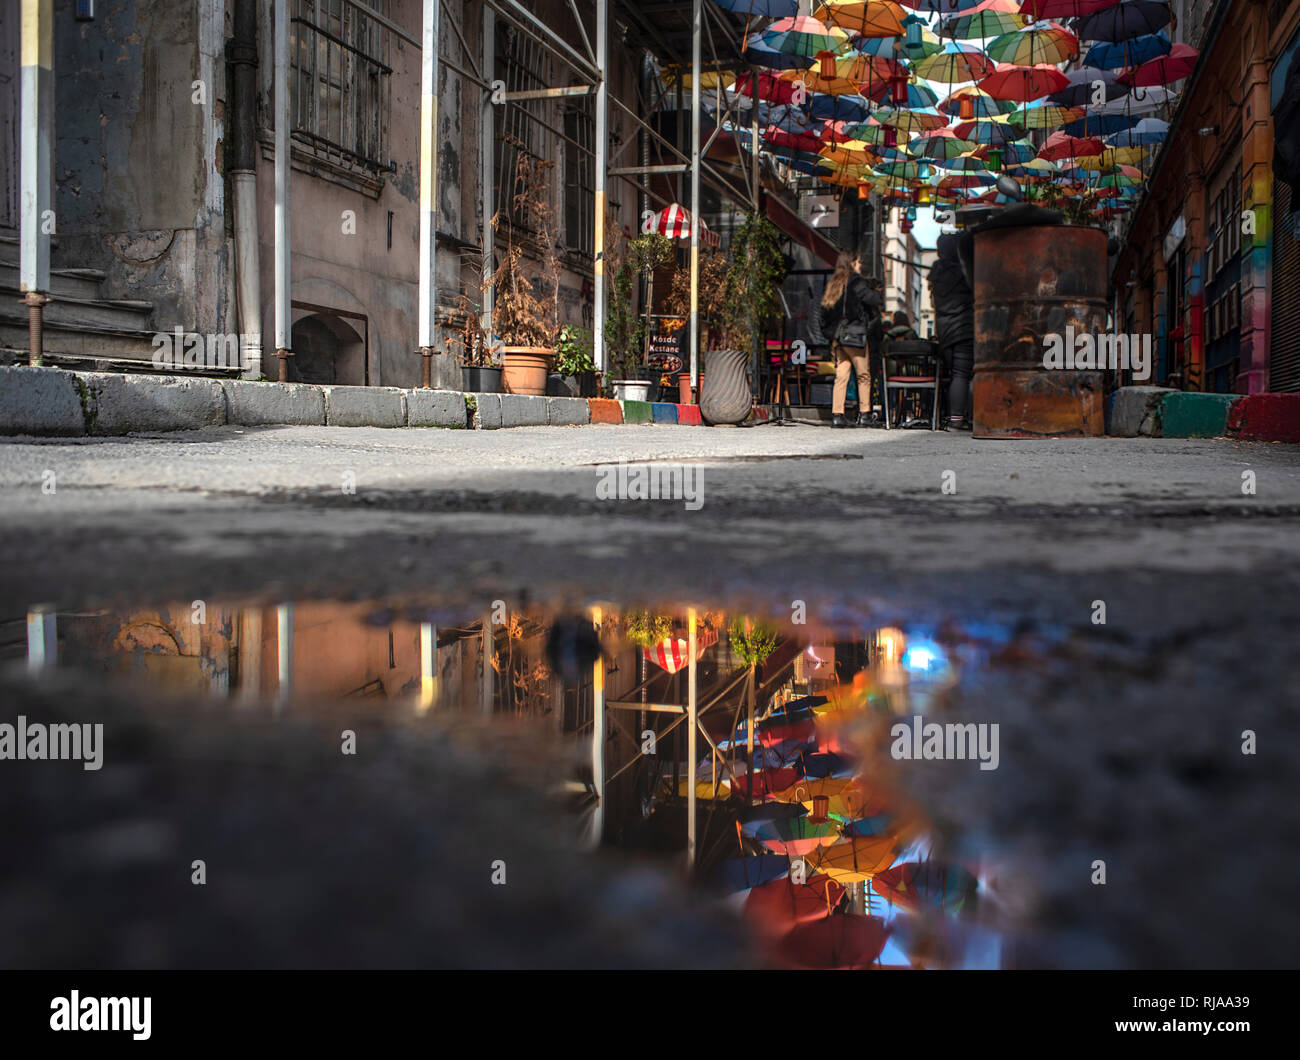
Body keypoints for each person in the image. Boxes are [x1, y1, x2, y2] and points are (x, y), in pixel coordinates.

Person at [817, 251, 883, 428]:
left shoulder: (834, 283)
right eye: (859, 262)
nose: (860, 266)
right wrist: (876, 292)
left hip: (838, 338)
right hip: (855, 336)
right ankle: (864, 414)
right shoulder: (857, 281)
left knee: (841, 376)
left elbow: (823, 313)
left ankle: (837, 415)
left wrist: (829, 334)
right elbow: (872, 299)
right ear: (852, 263)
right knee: (864, 376)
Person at [930, 233, 974, 430]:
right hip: (964, 327)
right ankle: (958, 419)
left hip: (944, 330)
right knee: (963, 374)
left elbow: (933, 303)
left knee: (955, 374)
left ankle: (954, 417)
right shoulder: (966, 272)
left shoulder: (936, 274)